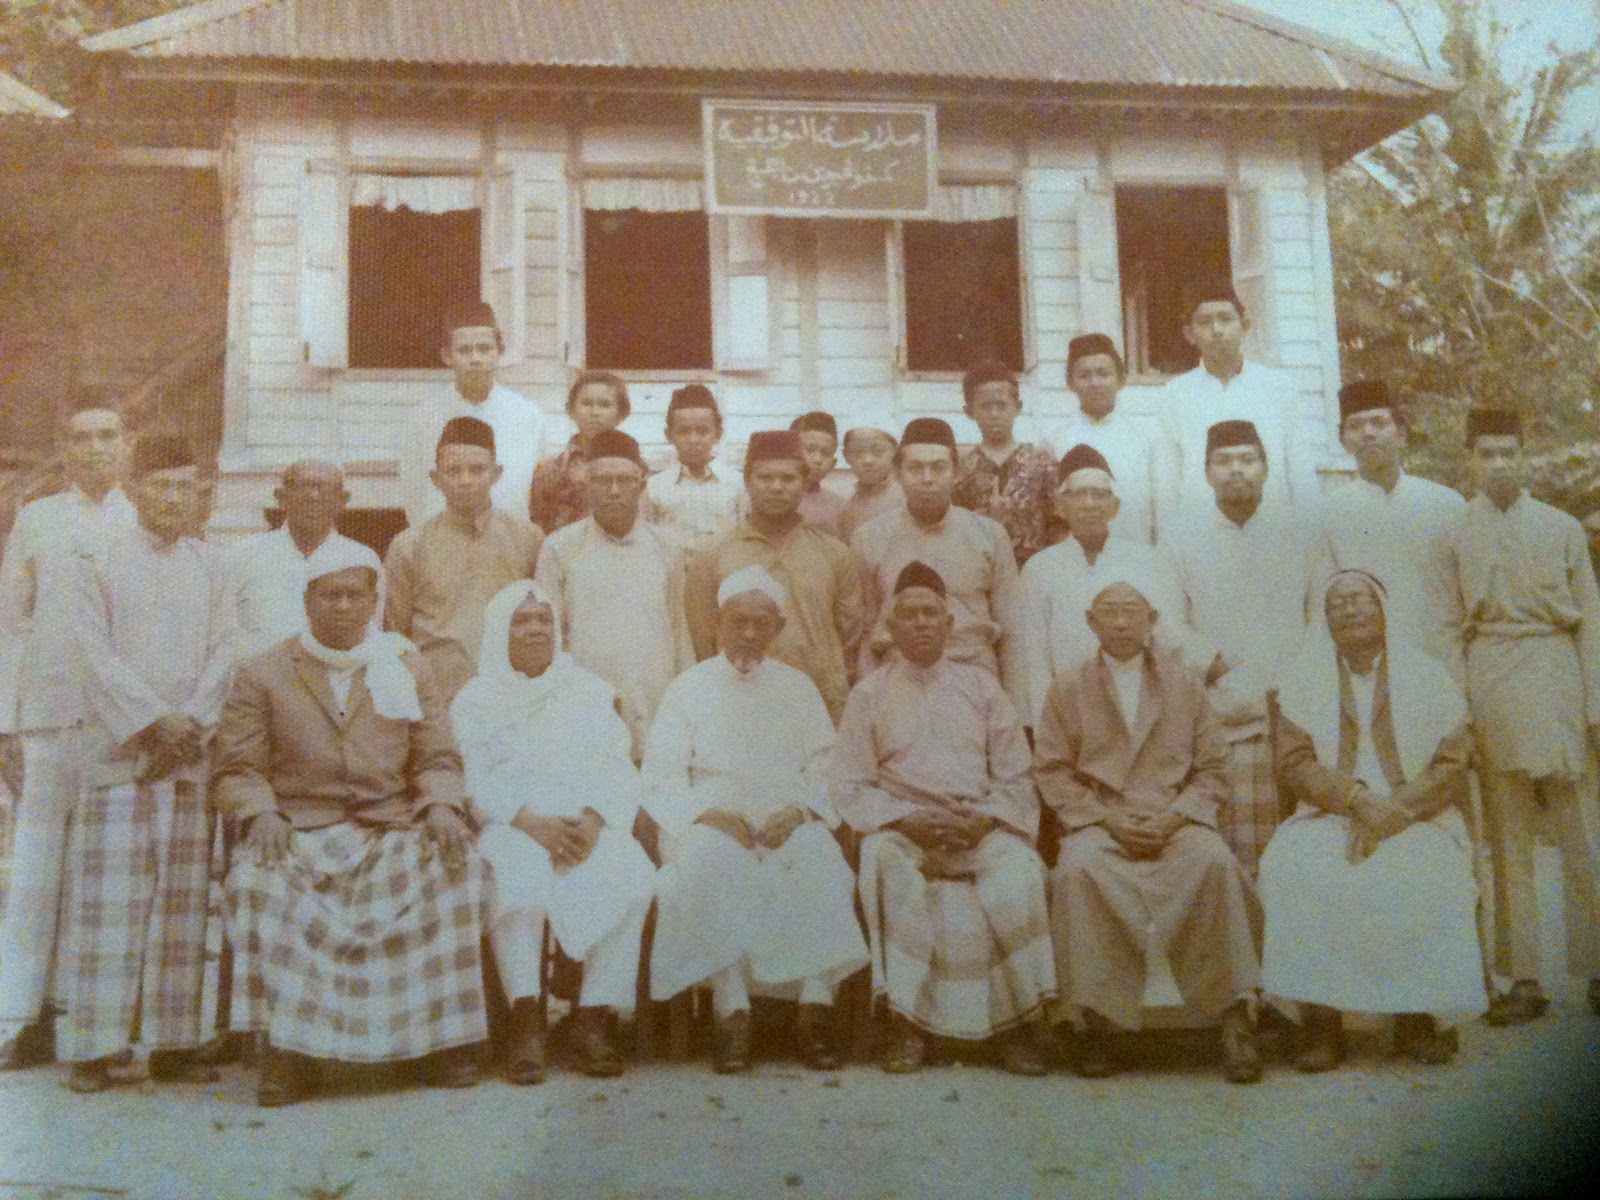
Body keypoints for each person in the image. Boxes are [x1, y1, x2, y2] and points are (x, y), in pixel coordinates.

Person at [215, 541, 485, 1105]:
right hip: (300, 827)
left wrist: (440, 805)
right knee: (258, 881)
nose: (342, 606)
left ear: (373, 601)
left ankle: (437, 1041)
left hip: (390, 825)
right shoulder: (263, 672)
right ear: (307, 600)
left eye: (354, 595)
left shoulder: (406, 665)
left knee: (459, 867)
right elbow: (238, 768)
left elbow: (438, 757)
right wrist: (261, 811)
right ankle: (291, 1052)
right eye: (329, 595)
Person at [56, 433, 236, 1093]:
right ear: (133, 490)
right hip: (120, 754)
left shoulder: (213, 566)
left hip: (187, 757)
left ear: (198, 493)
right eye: (160, 485)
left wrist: (190, 724)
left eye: (185, 486)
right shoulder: (95, 562)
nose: (172, 498)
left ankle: (173, 1041)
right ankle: (95, 1045)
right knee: (111, 900)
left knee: (182, 899)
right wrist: (154, 723)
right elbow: (91, 656)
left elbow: (227, 650)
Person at [1034, 580, 1264, 1083]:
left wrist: (1177, 815)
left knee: (1214, 862)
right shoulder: (1067, 687)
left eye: (1131, 612)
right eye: (1109, 612)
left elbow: (1213, 769)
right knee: (1076, 871)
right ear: (1091, 622)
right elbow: (1051, 770)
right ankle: (1097, 1023)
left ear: (1152, 620)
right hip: (1101, 821)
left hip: (1174, 819)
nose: (1121, 623)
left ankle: (1234, 1018)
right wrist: (1105, 818)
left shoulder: (1184, 684)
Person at [832, 562, 1054, 1075]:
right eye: (908, 614)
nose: (921, 623)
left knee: (1020, 868)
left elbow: (1017, 777)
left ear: (950, 624)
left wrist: (985, 820)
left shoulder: (983, 689)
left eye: (931, 613)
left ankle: (1016, 1026)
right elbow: (849, 784)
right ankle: (906, 1026)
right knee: (882, 860)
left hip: (979, 824)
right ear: (890, 627)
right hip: (904, 829)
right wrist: (905, 819)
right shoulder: (868, 695)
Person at [644, 566, 869, 1073]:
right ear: (717, 623)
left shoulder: (798, 688)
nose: (748, 633)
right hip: (710, 819)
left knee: (820, 864)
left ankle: (814, 1009)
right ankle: (732, 1011)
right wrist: (705, 815)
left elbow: (825, 767)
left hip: (785, 816)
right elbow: (661, 774)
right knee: (710, 865)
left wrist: (800, 812)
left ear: (778, 628)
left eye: (760, 623)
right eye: (737, 621)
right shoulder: (687, 688)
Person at [1263, 570, 1484, 1071]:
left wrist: (1395, 811)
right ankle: (1322, 1025)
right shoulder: (1303, 680)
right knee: (1299, 865)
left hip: (1417, 815)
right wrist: (1355, 800)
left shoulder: (1428, 674)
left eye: (1359, 598)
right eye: (1336, 603)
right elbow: (1293, 763)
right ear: (1324, 620)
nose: (1349, 609)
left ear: (1385, 610)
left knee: (1424, 868)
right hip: (1329, 814)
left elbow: (1453, 763)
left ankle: (1416, 1017)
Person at [452, 581, 654, 1083]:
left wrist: (595, 819)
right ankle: (526, 1023)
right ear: (500, 632)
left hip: (584, 824)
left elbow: (617, 765)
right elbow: (471, 777)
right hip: (513, 824)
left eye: (544, 619)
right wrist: (528, 821)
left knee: (631, 873)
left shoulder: (588, 690)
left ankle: (592, 1020)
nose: (536, 629)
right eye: (522, 621)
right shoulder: (476, 698)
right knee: (515, 879)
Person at [1448, 408, 1600, 1025]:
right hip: (1491, 672)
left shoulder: (1562, 527)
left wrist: (1595, 704)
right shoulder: (1455, 530)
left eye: (1509, 452)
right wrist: (1457, 704)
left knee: (1580, 826)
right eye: (1487, 454)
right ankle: (1524, 976)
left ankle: (1597, 966)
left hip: (1555, 668)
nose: (1500, 465)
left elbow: (1590, 618)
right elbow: (1447, 622)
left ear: (1525, 457)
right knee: (1506, 831)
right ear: (1470, 460)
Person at [0, 400, 135, 1067]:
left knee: (103, 876)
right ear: (64, 448)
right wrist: (7, 724)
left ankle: (92, 1022)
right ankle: (19, 1019)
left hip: (120, 728)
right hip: (49, 718)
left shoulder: (143, 521)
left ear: (126, 444)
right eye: (82, 438)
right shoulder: (38, 519)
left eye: (107, 436)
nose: (96, 449)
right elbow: (11, 623)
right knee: (36, 872)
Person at [1167, 419, 1313, 879]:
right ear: (1206, 472)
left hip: (1294, 705)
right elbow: (1167, 622)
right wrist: (1216, 666)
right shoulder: (1180, 535)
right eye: (1223, 461)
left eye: (1247, 460)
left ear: (1266, 469)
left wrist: (1294, 677)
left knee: (1301, 841)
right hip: (1222, 708)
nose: (1236, 470)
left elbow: (1319, 611)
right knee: (1234, 850)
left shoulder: (1299, 530)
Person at [685, 430, 862, 723]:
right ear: (747, 481)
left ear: (804, 482)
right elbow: (701, 638)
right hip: (738, 705)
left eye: (788, 479)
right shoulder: (713, 554)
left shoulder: (834, 554)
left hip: (817, 705)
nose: (777, 487)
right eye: (765, 478)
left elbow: (850, 635)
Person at [535, 430, 691, 758]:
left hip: (654, 700)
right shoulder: (560, 548)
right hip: (585, 707)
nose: (615, 490)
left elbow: (679, 632)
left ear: (642, 484)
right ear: (587, 485)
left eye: (625, 480)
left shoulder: (667, 548)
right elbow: (549, 639)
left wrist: (687, 709)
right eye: (603, 480)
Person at [853, 418, 1023, 711]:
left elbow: (1012, 630)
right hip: (898, 683)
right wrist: (866, 706)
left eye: (939, 467)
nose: (927, 478)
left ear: (956, 473)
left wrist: (1014, 710)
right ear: (898, 473)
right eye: (915, 468)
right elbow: (867, 631)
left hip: (975, 679)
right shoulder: (869, 538)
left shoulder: (989, 535)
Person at [1017, 444, 1186, 725]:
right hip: (1071, 714)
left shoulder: (1146, 561)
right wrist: (1047, 729)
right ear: (1060, 506)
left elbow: (1170, 640)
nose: (1089, 504)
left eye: (1099, 494)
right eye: (1078, 494)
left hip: (1139, 710)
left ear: (1115, 507)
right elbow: (1035, 660)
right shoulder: (1039, 569)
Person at [1311, 380, 1466, 677]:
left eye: (1379, 422)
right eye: (1355, 426)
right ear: (1343, 440)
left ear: (1401, 433)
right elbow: (1323, 604)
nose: (1368, 433)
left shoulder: (1446, 505)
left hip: (1442, 660)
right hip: (1369, 673)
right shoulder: (1329, 514)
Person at [384, 416, 543, 702]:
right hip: (436, 699)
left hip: (512, 696)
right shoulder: (410, 546)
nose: (465, 480)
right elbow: (395, 635)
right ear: (436, 479)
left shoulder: (528, 539)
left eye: (477, 470)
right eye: (453, 471)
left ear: (496, 474)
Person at [1157, 278, 1316, 525]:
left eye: (1225, 319)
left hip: (1273, 528)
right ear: (1189, 333)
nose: (1216, 330)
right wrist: (1170, 538)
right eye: (1204, 322)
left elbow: (1300, 469)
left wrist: (1310, 532)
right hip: (1201, 531)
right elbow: (1167, 479)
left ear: (1245, 324)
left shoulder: (1279, 387)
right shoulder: (1174, 394)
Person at [402, 300, 566, 527]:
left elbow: (542, 489)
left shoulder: (528, 414)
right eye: (464, 350)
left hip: (509, 539)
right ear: (447, 356)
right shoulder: (424, 416)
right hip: (443, 539)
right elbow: (413, 490)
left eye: (484, 349)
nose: (475, 359)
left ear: (500, 352)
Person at [230, 460, 379, 658]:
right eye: (304, 486)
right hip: (259, 675)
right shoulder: (242, 556)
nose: (314, 496)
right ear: (281, 497)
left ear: (342, 500)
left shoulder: (362, 560)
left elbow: (371, 635)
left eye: (325, 488)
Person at [1041, 334, 1160, 545]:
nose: (1094, 383)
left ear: (1121, 380)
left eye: (1103, 374)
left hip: (1136, 551)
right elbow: (1051, 513)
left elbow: (1161, 508)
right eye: (1084, 376)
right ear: (1070, 383)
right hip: (1076, 556)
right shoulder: (1054, 440)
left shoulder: (1146, 436)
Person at [951, 362, 1057, 566]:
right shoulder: (961, 468)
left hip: (1033, 569)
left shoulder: (1041, 462)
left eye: (1002, 406)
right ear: (969, 411)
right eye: (985, 407)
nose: (994, 414)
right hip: (979, 567)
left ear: (1018, 408)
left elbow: (1057, 522)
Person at [643, 384, 744, 552]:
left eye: (703, 432)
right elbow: (647, 541)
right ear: (669, 435)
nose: (693, 440)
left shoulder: (738, 484)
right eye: (684, 432)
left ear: (718, 434)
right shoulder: (654, 487)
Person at [529, 370, 630, 534]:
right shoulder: (549, 471)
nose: (595, 412)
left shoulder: (636, 470)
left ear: (622, 413)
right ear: (571, 410)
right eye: (587, 403)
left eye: (605, 404)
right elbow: (540, 526)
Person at [838, 419, 903, 543]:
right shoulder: (848, 507)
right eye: (858, 452)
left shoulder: (907, 497)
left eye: (878, 451)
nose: (868, 460)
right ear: (846, 456)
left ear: (895, 451)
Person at [789, 411, 849, 536]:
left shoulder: (839, 507)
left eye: (825, 453)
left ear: (833, 464)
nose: (817, 459)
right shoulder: (765, 498)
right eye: (809, 449)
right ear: (790, 452)